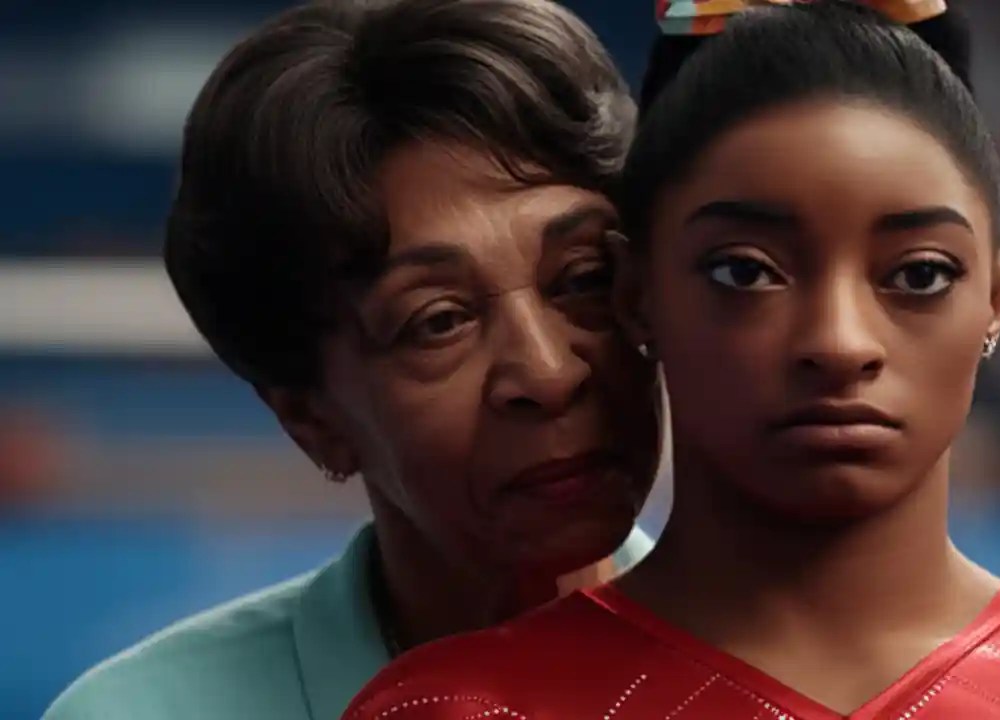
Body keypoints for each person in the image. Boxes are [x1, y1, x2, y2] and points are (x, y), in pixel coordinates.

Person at [342, 1, 1000, 718]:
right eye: (745, 271)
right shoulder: (461, 708)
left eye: (917, 273)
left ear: (997, 295)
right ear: (635, 294)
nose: (837, 342)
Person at [43, 1, 663, 718]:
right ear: (311, 417)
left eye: (583, 279)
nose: (550, 374)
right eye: (439, 321)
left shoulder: (798, 676)